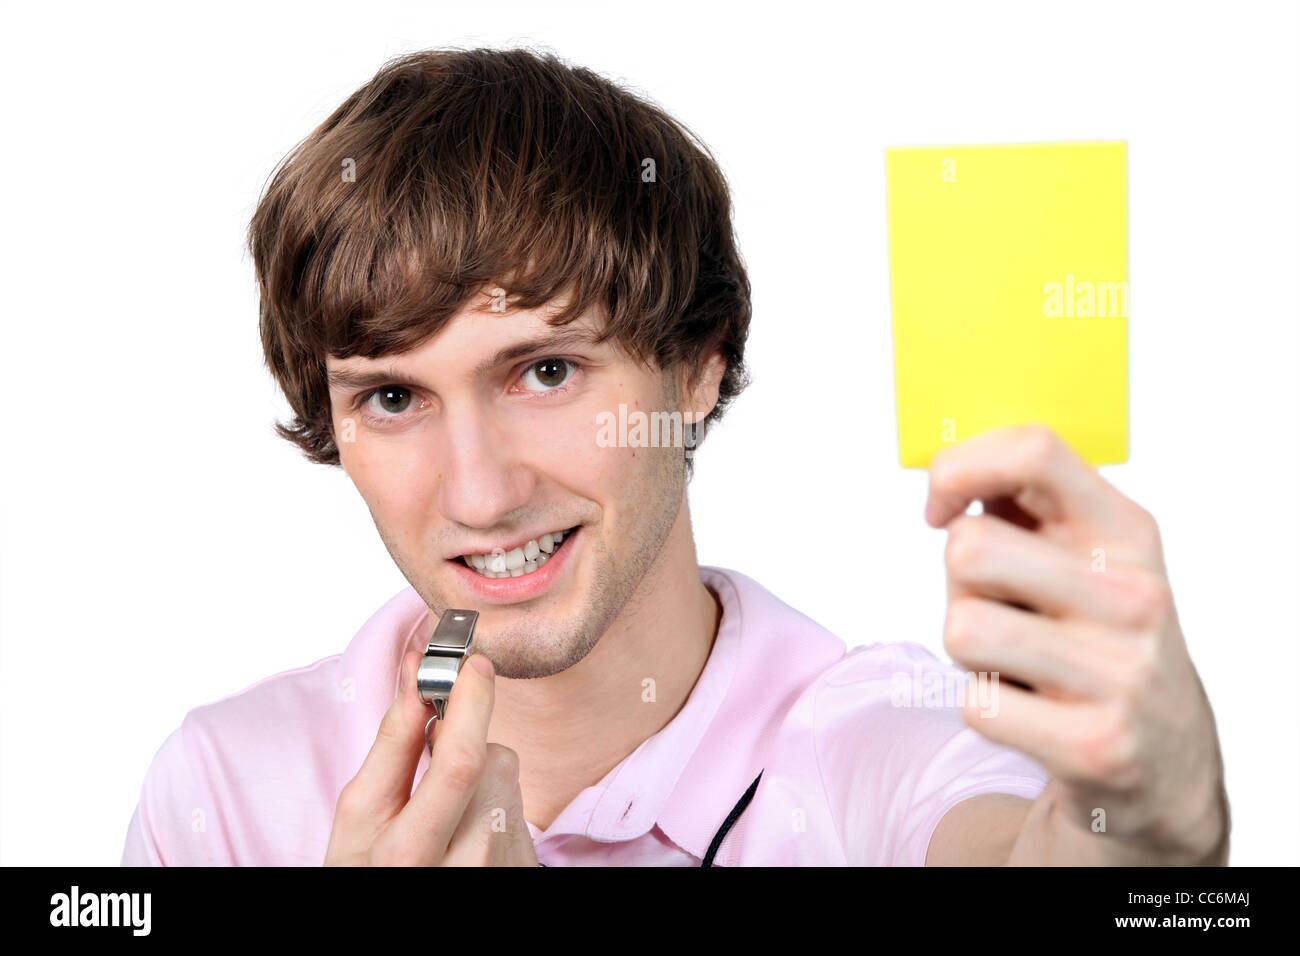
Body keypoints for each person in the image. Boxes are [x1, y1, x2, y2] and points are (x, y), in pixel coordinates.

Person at [120, 47, 1228, 866]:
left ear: (698, 365)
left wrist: (1144, 827)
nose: (479, 490)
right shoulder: (221, 789)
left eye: (545, 370)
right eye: (395, 395)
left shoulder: (882, 747)